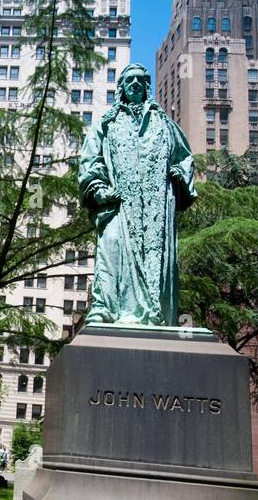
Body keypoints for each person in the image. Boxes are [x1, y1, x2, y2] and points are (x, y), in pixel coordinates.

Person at [78, 63, 197, 327]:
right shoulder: (106, 125)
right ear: (121, 87)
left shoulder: (163, 123)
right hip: (118, 205)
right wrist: (99, 189)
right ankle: (105, 309)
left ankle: (155, 315)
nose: (134, 84)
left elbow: (185, 158)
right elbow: (90, 161)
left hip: (156, 209)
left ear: (146, 87)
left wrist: (179, 172)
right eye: (129, 80)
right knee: (112, 249)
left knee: (155, 258)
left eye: (139, 81)